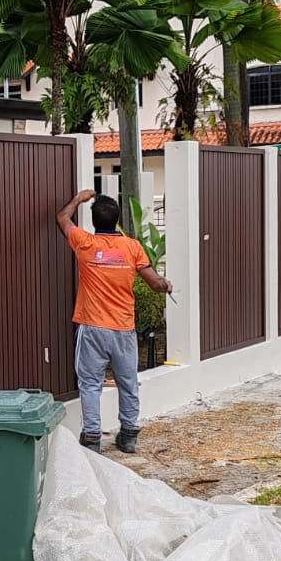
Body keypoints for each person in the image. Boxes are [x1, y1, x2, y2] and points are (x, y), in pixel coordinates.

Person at [56, 190, 172, 453]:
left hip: (93, 327)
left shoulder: (84, 243)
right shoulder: (132, 247)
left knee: (90, 383)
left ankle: (93, 437)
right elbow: (155, 283)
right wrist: (167, 285)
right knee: (128, 381)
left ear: (94, 222)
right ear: (118, 219)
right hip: (123, 329)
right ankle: (129, 434)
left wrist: (77, 199)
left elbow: (62, 217)